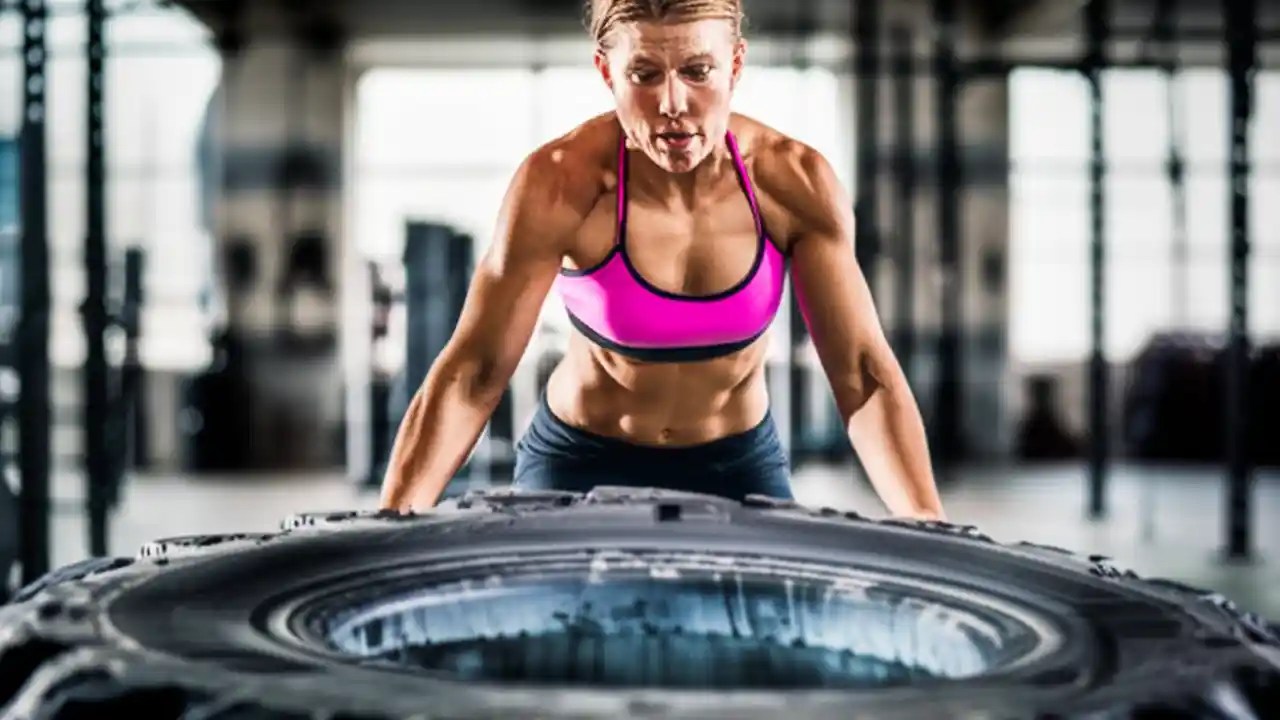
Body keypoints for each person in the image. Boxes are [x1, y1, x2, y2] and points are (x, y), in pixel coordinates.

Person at [379, 0, 945, 520]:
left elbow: (864, 376)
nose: (672, 104)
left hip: (737, 463)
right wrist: (392, 522)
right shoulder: (558, 182)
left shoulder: (792, 181)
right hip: (581, 459)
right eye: (644, 74)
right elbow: (474, 372)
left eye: (698, 71)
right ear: (607, 73)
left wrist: (928, 523)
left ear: (735, 65)